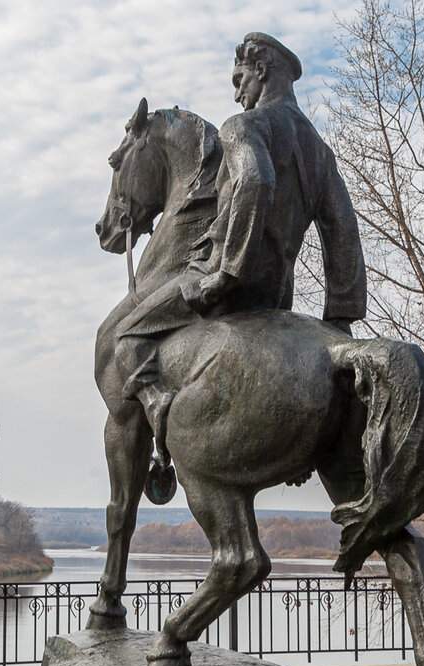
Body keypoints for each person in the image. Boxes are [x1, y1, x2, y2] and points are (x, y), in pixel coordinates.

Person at [115, 32, 368, 461]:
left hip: (226, 283)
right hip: (278, 297)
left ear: (261, 71)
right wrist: (340, 318)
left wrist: (226, 271)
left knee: (126, 336)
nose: (237, 94)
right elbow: (343, 232)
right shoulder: (320, 152)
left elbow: (256, 180)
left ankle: (159, 411)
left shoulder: (244, 127)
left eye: (240, 79)